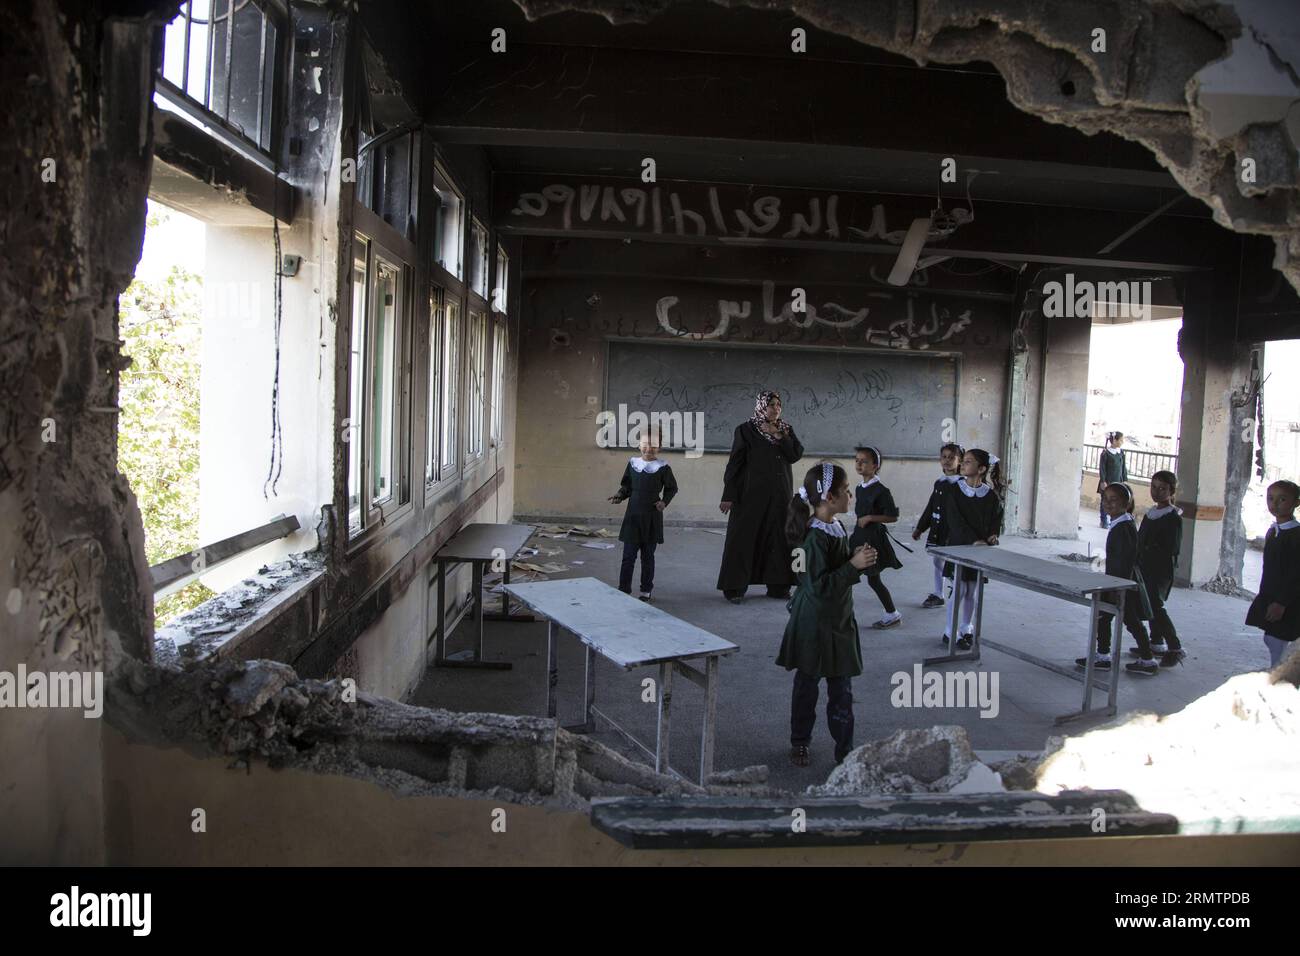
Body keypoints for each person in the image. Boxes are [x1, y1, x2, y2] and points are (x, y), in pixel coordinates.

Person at [777, 462, 877, 767]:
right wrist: (852, 566)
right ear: (830, 497)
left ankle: (845, 751)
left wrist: (855, 558)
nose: (851, 495)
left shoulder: (836, 527)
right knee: (807, 686)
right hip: (814, 623)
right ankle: (800, 741)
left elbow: (833, 572)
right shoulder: (812, 537)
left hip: (838, 621)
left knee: (842, 692)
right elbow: (817, 587)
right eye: (847, 491)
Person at [716, 391, 804, 603]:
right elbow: (735, 464)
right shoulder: (745, 430)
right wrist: (729, 495)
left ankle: (778, 586)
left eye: (778, 405)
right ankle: (735, 588)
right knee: (743, 538)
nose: (775, 409)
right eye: (771, 405)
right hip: (750, 496)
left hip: (780, 495)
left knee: (779, 539)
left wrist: (778, 435)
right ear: (761, 406)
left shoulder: (785, 429)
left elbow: (795, 455)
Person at [1076, 482, 1158, 676]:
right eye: (1105, 499)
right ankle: (1103, 655)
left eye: (1114, 500)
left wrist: (1115, 587)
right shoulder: (1120, 523)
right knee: (1105, 617)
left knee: (1130, 620)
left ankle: (1147, 659)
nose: (1108, 503)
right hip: (1116, 582)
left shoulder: (1124, 528)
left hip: (1121, 583)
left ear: (1126, 502)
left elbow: (1125, 561)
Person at [937, 448, 1003, 650]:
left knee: (972, 591)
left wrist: (992, 535)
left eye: (968, 462)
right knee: (958, 589)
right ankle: (950, 630)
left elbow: (995, 519)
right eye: (963, 461)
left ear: (981, 468)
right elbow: (955, 521)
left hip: (979, 551)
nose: (963, 465)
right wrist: (974, 540)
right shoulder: (955, 491)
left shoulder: (990, 496)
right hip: (959, 548)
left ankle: (966, 627)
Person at [608, 430, 678, 601]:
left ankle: (646, 590)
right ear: (639, 445)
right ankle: (623, 589)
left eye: (653, 446)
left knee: (648, 557)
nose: (649, 448)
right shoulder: (632, 464)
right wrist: (620, 495)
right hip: (632, 517)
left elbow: (672, 488)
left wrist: (664, 502)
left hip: (651, 518)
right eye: (645, 444)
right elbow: (627, 487)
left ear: (659, 447)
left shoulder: (663, 468)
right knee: (628, 557)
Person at [1130, 470, 1185, 667]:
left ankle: (1175, 647)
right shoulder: (1151, 513)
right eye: (1154, 487)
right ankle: (1156, 642)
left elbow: (1171, 547)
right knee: (1147, 603)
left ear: (1171, 491)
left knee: (1156, 605)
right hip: (1145, 567)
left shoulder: (1172, 517)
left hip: (1160, 569)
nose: (1157, 492)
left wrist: (1148, 550)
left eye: (1163, 489)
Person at [1245, 479, 1300, 669]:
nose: (1274, 504)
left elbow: (1295, 574)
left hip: (1287, 600)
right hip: (1271, 593)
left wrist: (1281, 602)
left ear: (1296, 503)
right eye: (1270, 498)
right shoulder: (1274, 531)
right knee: (1272, 638)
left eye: (1282, 499)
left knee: (1278, 639)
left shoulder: (1295, 536)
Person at [850, 445, 904, 629]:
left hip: (872, 539)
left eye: (864, 461)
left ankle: (892, 614)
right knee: (847, 571)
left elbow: (892, 516)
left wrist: (871, 517)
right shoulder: (860, 487)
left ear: (875, 466)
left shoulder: (881, 491)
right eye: (857, 460)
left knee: (872, 579)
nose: (859, 464)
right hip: (859, 536)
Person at [913, 442, 963, 608]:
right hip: (938, 530)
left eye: (951, 457)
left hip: (952, 532)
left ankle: (958, 589)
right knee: (937, 561)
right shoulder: (940, 483)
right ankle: (938, 593)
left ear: (960, 460)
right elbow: (931, 507)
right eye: (944, 457)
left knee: (951, 565)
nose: (947, 461)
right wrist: (921, 527)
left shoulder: (962, 485)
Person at [1097, 431, 1128, 529]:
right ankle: (1103, 520)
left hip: (1117, 481)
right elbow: (1102, 468)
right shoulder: (1106, 453)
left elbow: (1123, 467)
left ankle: (1113, 520)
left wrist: (1124, 479)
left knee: (1116, 501)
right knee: (1105, 500)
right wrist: (1103, 481)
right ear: (1114, 440)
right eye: (1121, 440)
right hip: (1108, 481)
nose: (1122, 442)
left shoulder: (1121, 452)